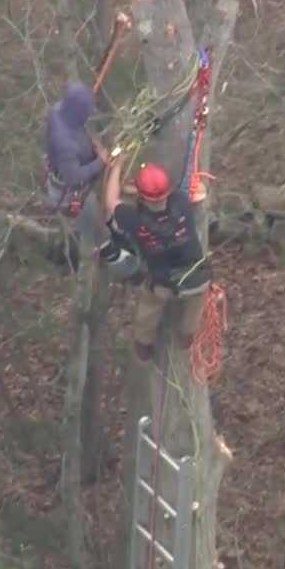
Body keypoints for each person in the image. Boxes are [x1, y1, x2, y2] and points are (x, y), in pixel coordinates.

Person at [101, 155, 211, 363]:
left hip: (164, 283)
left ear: (141, 197)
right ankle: (186, 334)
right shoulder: (182, 201)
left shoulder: (132, 218)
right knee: (196, 302)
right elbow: (168, 192)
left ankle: (144, 343)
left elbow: (110, 202)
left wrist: (116, 167)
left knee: (149, 304)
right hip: (197, 276)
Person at [45, 82, 110, 220]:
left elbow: (79, 128)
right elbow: (73, 177)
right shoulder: (65, 143)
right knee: (91, 215)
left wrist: (92, 142)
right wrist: (100, 162)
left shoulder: (60, 111)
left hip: (73, 163)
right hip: (70, 192)